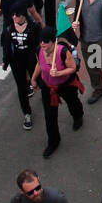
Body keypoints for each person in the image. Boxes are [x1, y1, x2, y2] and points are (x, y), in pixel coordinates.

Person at [31, 27, 84, 159]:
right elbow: (39, 65)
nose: (42, 44)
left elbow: (72, 68)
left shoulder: (63, 52)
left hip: (65, 85)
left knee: (73, 103)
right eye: (41, 41)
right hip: (48, 87)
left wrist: (59, 73)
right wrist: (33, 78)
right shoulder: (39, 50)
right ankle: (53, 141)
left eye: (45, 41)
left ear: (53, 42)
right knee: (49, 115)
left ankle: (78, 116)